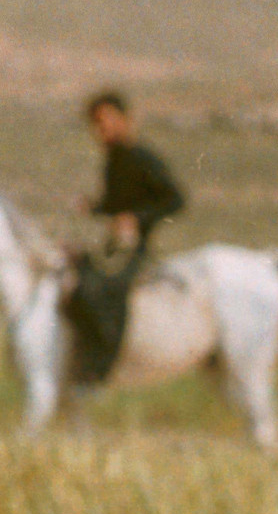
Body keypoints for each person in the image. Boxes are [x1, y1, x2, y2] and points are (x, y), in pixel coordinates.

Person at [61, 90, 186, 386]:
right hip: (114, 247)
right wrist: (94, 206)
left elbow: (176, 199)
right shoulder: (114, 159)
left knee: (97, 289)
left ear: (123, 119)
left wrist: (137, 219)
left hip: (137, 248)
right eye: (95, 123)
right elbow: (117, 204)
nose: (99, 130)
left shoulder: (142, 158)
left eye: (104, 121)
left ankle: (103, 366)